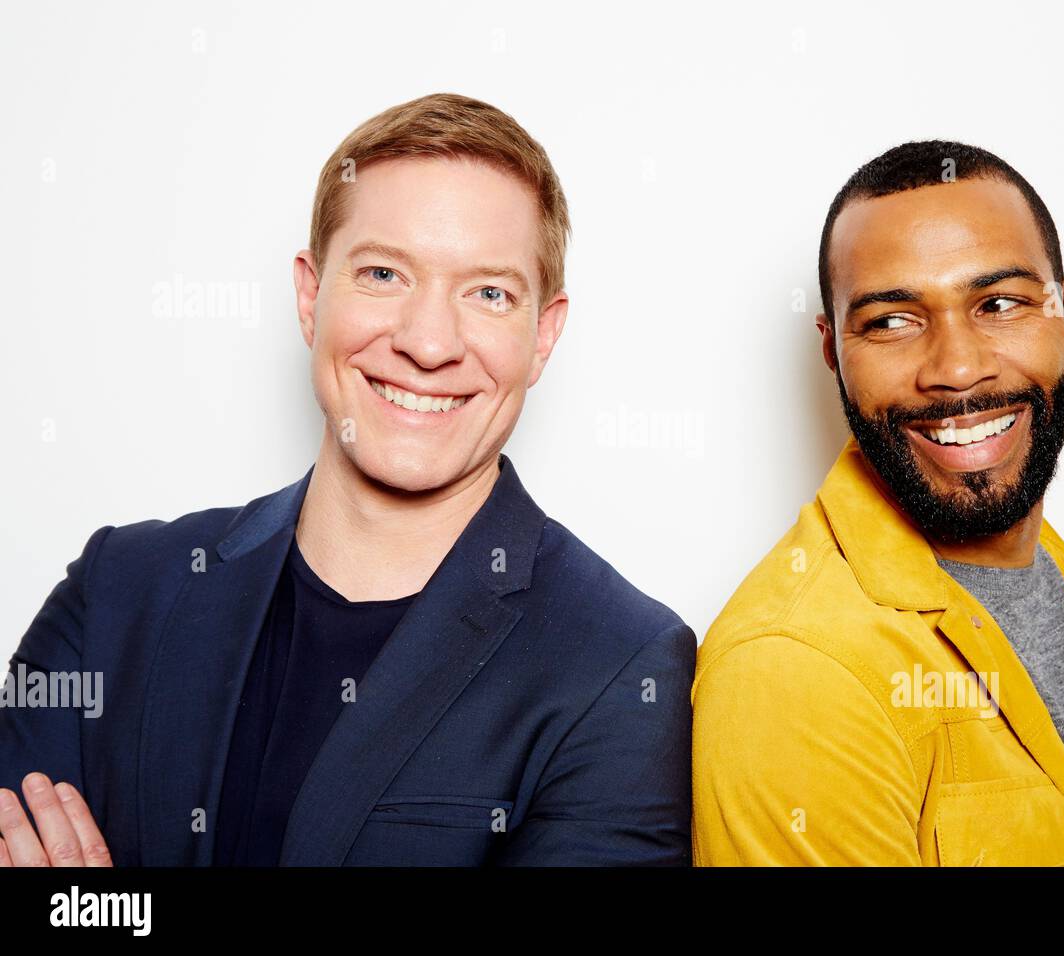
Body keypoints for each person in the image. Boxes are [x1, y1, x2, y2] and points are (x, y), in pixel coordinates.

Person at [0, 93, 694, 867]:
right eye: (383, 273)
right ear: (310, 294)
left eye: (489, 293)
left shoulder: (620, 667)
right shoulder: (118, 591)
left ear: (544, 335)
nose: (429, 344)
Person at [691, 140, 1064, 867]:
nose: (957, 369)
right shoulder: (796, 673)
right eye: (890, 321)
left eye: (1000, 304)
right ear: (832, 351)